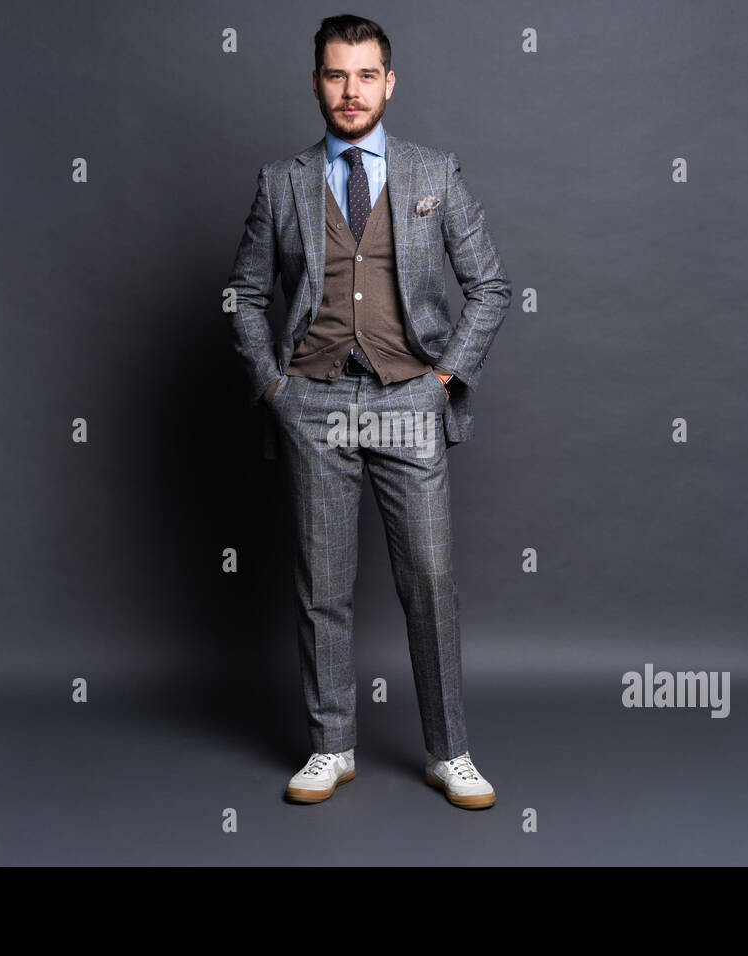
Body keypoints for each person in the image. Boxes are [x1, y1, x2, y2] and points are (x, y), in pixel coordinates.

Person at [225, 14, 511, 810]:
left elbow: (491, 286)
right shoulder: (281, 183)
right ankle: (331, 745)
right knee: (322, 586)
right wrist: (275, 390)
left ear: (389, 82)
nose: (349, 92)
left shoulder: (434, 174)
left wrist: (445, 379)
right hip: (312, 403)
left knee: (430, 579)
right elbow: (243, 298)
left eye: (364, 75)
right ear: (317, 82)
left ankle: (449, 752)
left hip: (407, 400)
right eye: (334, 75)